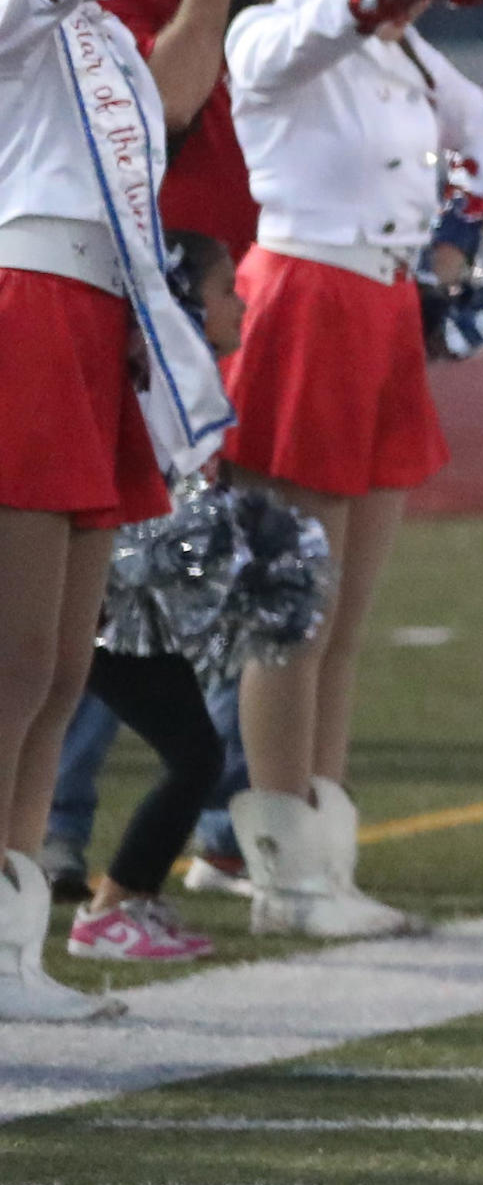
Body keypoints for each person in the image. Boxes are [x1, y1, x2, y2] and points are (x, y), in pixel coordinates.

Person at [217, 0, 483, 937]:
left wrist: (455, 240)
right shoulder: (275, 32)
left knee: (344, 613)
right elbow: (321, 28)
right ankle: (284, 873)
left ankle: (325, 858)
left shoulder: (407, 54)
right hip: (303, 299)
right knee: (287, 610)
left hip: (381, 309)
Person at [0, 0, 241, 1023]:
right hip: (26, 303)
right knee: (14, 659)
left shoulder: (96, 31)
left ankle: (15, 949)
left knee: (52, 670)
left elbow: (172, 116)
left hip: (97, 320)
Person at [64, 229, 247, 964]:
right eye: (226, 292)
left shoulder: (179, 386)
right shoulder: (154, 393)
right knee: (196, 753)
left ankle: (130, 901)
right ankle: (110, 908)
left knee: (197, 751)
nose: (241, 303)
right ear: (187, 312)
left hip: (124, 599)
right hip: (109, 601)